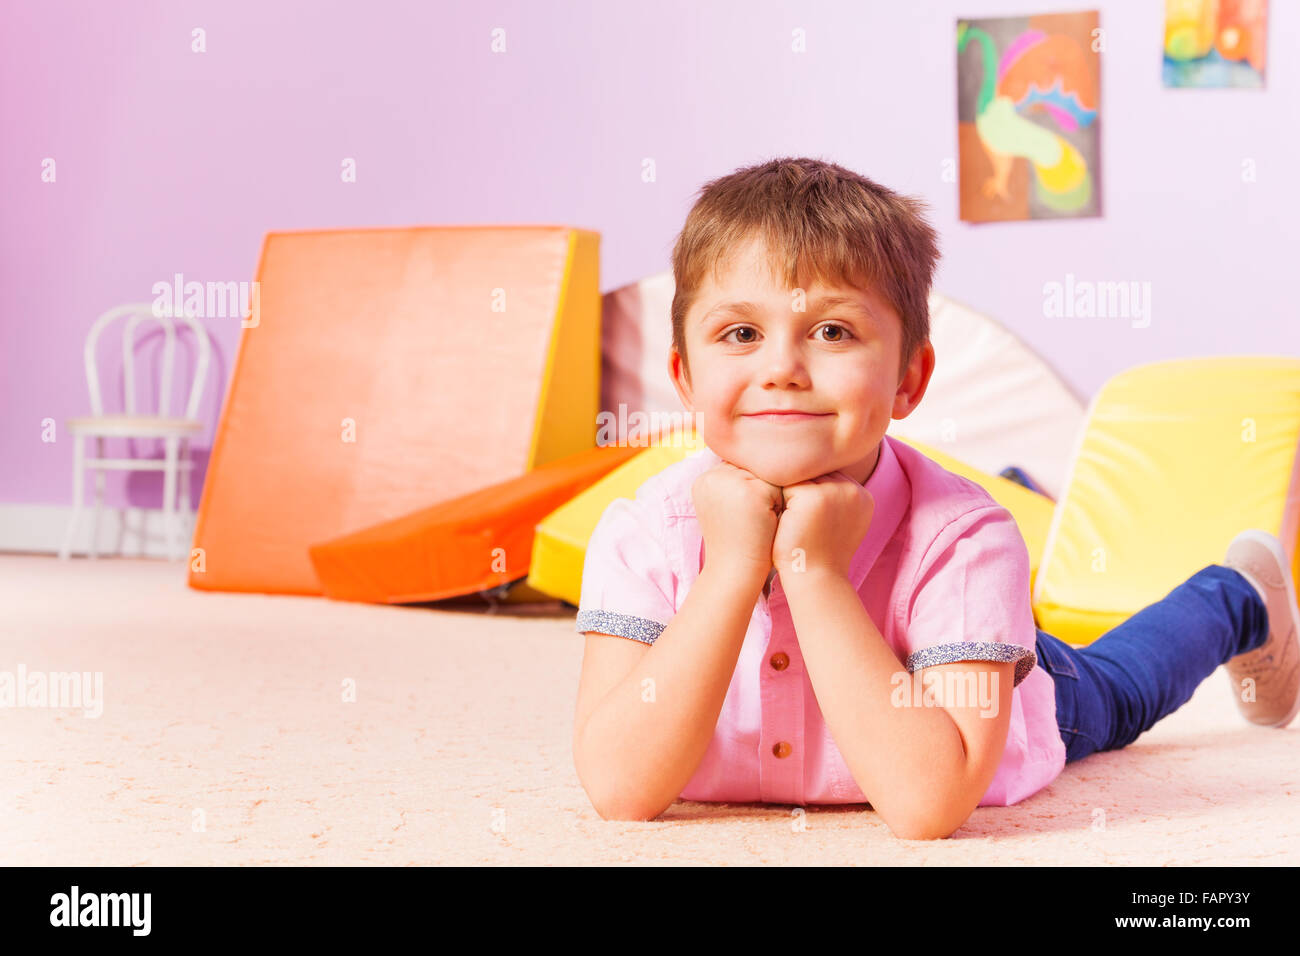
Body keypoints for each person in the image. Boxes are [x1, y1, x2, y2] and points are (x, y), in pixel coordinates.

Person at [570, 157, 1300, 840]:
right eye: (740, 332)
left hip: (996, 687)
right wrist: (731, 571)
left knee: (1123, 684)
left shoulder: (965, 537)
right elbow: (619, 788)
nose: (782, 367)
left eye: (831, 330)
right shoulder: (645, 534)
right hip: (941, 641)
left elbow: (929, 806)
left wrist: (814, 573)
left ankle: (1234, 596)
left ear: (909, 381)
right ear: (685, 377)